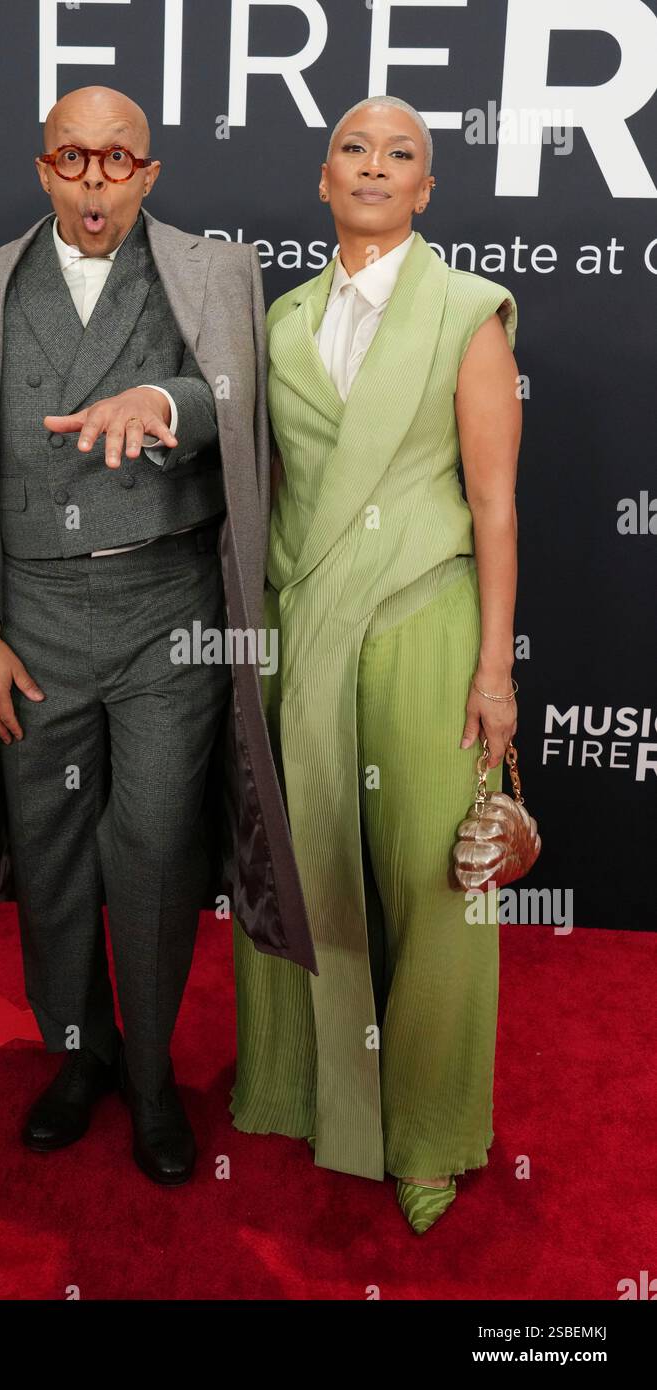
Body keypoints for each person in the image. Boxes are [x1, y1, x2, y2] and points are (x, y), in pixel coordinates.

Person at [0, 85, 315, 1189]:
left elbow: (244, 399)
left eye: (114, 160)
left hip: (167, 617)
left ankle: (155, 1070)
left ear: (148, 174)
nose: (92, 181)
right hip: (31, 623)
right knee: (55, 859)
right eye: (70, 159)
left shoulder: (216, 272)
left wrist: (168, 401)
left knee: (155, 852)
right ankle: (80, 1057)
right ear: (42, 168)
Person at [230, 95, 522, 1233]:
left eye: (399, 153)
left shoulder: (464, 310)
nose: (373, 164)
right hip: (303, 632)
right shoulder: (280, 321)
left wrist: (493, 671)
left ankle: (430, 1135)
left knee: (438, 887)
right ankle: (305, 1094)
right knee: (303, 872)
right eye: (353, 147)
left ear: (425, 189)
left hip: (424, 620)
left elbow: (493, 503)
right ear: (321, 176)